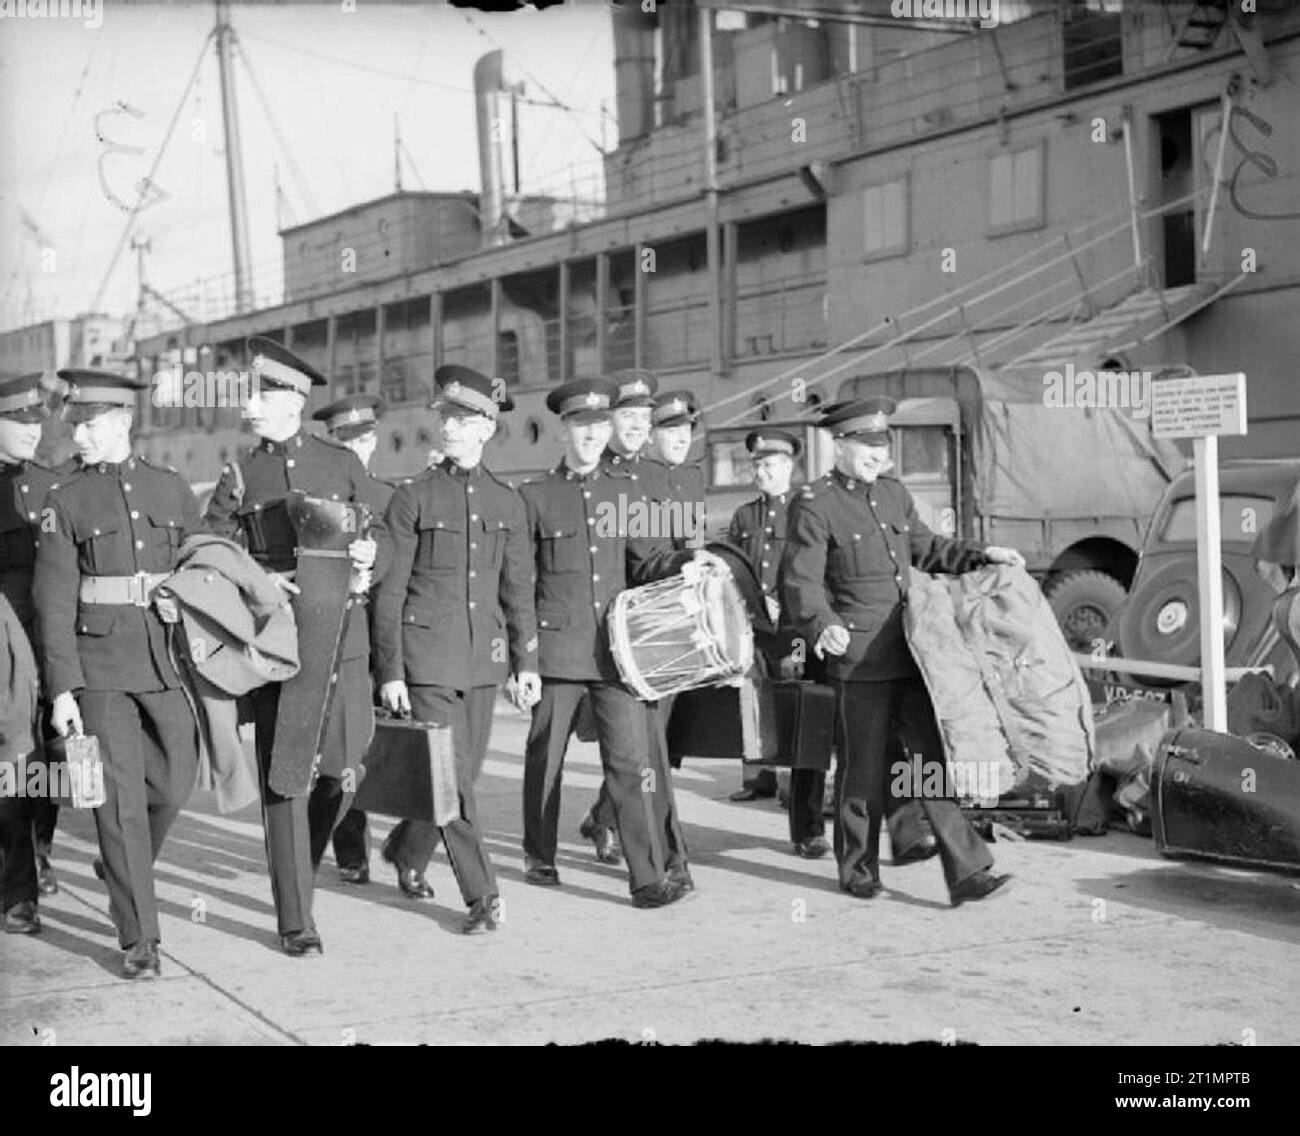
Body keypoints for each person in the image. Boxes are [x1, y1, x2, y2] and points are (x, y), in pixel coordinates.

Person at [781, 397, 1016, 905]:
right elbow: (801, 580)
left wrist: (982, 553)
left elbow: (929, 548)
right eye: (865, 444)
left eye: (881, 443)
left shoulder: (892, 494)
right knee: (862, 768)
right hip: (858, 658)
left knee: (929, 762)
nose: (875, 453)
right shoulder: (815, 503)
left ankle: (968, 871)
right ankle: (858, 868)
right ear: (838, 445)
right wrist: (822, 624)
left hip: (911, 654)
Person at [203, 337, 386, 955]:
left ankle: (302, 861)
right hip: (279, 648)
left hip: (345, 644)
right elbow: (207, 554)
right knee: (287, 777)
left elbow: (383, 528)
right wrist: (259, 580)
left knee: (344, 766)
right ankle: (295, 920)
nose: (247, 404)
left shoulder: (341, 465)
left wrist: (370, 554)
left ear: (292, 402)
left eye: (259, 394)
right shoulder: (239, 474)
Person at [32, 370, 203, 976]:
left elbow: (200, 565)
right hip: (99, 669)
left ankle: (122, 866)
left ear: (123, 422)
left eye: (90, 423)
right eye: (73, 423)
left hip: (165, 661)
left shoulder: (171, 489)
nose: (78, 434)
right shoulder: (65, 502)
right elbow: (53, 602)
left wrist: (184, 598)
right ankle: (140, 941)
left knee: (175, 784)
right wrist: (62, 691)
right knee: (118, 803)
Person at [520, 378, 711, 908]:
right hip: (557, 653)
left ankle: (648, 878)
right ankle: (540, 855)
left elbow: (647, 559)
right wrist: (524, 659)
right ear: (566, 430)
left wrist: (686, 561)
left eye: (597, 425)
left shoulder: (624, 495)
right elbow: (519, 582)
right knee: (546, 758)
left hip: (613, 654)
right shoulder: (535, 496)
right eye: (580, 425)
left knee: (630, 762)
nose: (589, 434)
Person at [372, 364, 539, 933]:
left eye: (462, 419)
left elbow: (518, 589)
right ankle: (482, 895)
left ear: (487, 429)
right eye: (444, 415)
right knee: (457, 779)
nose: (448, 426)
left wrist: (526, 662)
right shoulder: (412, 497)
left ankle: (406, 850)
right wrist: (390, 671)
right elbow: (389, 591)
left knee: (452, 773)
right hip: (426, 663)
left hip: (483, 662)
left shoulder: (506, 502)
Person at [576, 368, 667, 864]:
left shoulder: (659, 477)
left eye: (642, 416)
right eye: (626, 415)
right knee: (629, 745)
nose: (636, 424)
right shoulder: (595, 472)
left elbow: (667, 550)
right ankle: (638, 843)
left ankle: (605, 819)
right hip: (606, 633)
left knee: (648, 745)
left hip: (659, 630)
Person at [309, 392, 397, 888]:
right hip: (325, 639)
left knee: (353, 750)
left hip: (369, 637)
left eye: (363, 438)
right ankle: (344, 848)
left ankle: (348, 846)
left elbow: (398, 572)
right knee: (326, 751)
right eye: (345, 439)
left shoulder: (387, 498)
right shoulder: (318, 499)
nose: (356, 447)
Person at [0, 373, 69, 933]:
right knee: (11, 767)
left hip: (50, 644)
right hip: (2, 651)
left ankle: (40, 847)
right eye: (17, 421)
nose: (31, 430)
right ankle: (17, 890)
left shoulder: (53, 486)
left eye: (34, 421)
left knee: (51, 759)